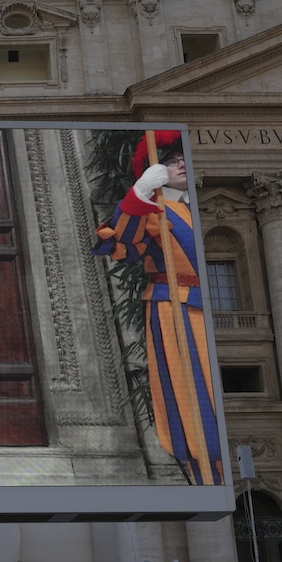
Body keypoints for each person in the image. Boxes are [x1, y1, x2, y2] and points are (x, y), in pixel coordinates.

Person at [93, 130, 223, 485]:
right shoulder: (153, 210)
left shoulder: (202, 204)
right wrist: (139, 194)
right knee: (195, 402)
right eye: (169, 160)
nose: (180, 163)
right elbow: (118, 245)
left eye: (183, 158)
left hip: (213, 312)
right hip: (176, 310)